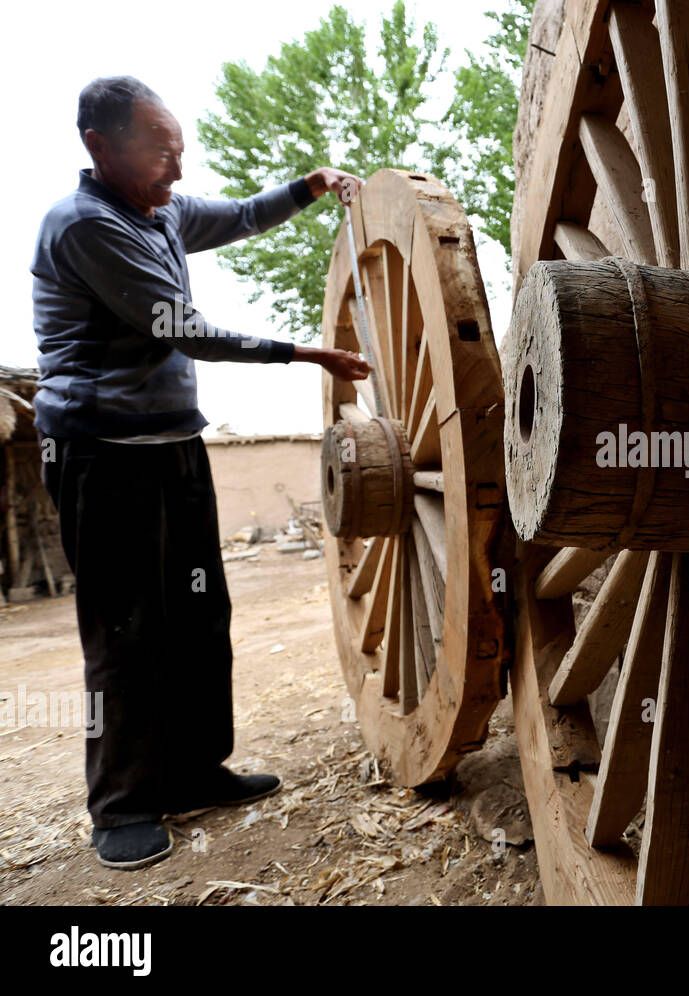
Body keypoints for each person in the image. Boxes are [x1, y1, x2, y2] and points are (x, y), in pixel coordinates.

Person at [31, 75, 371, 870]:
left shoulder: (163, 211)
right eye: (160, 153)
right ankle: (121, 806)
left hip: (174, 442)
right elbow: (177, 326)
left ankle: (192, 769)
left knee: (197, 611)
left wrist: (309, 186)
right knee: (124, 628)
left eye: (180, 151)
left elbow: (244, 215)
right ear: (100, 146)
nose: (177, 170)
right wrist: (300, 352)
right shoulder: (83, 226)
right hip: (100, 451)